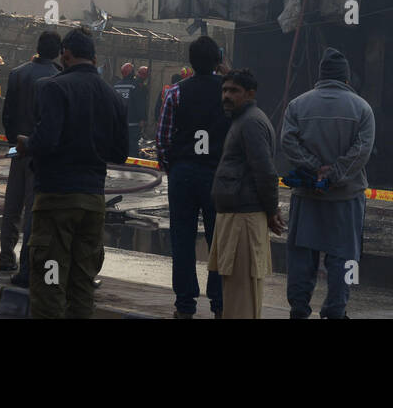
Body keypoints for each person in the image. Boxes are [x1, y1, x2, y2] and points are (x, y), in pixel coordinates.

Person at [17, 28, 128, 319]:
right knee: (82, 285)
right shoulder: (113, 97)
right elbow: (119, 152)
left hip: (56, 200)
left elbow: (47, 141)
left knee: (50, 282)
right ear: (94, 57)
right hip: (92, 201)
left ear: (66, 53)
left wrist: (27, 144)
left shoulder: (55, 88)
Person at [281, 48, 375, 319]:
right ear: (346, 79)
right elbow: (362, 150)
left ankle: (299, 309)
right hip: (346, 197)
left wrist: (313, 168)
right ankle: (335, 311)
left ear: (320, 76)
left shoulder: (297, 105)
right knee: (343, 258)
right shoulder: (362, 108)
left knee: (301, 256)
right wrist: (334, 174)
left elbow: (288, 142)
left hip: (306, 195)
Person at [156, 37, 229, 318]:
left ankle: (185, 306)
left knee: (183, 240)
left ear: (190, 61)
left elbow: (163, 139)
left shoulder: (175, 92)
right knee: (218, 242)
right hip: (217, 175)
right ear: (217, 61)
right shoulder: (228, 92)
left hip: (184, 173)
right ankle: (219, 304)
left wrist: (173, 167)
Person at [208, 69, 282, 319]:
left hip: (245, 220)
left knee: (241, 301)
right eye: (224, 90)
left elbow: (266, 172)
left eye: (234, 91)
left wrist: (272, 211)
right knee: (236, 297)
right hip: (236, 217)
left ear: (250, 94)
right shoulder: (242, 120)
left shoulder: (251, 122)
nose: (226, 96)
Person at [0, 32, 62, 279]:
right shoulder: (58, 78)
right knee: (33, 209)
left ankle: (5, 257)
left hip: (18, 148)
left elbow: (6, 115)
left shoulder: (17, 74)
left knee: (12, 206)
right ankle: (28, 263)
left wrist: (16, 140)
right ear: (58, 52)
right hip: (42, 153)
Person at [111, 63, 141, 156]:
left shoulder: (116, 86)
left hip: (119, 121)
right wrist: (142, 118)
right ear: (130, 72)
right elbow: (138, 103)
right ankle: (133, 165)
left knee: (119, 143)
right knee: (132, 145)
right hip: (132, 122)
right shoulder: (135, 85)